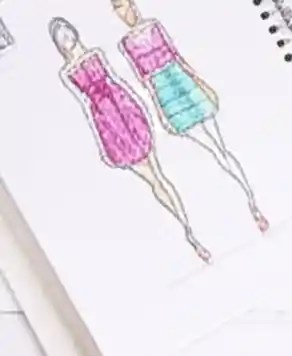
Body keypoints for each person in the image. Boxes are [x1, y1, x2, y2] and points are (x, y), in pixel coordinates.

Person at [51, 17, 210, 263]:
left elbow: (117, 79)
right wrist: (102, 143)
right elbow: (84, 104)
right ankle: (188, 231)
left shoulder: (96, 53)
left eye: (67, 32)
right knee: (153, 181)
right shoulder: (67, 72)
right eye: (60, 37)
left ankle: (190, 229)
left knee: (160, 175)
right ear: (57, 44)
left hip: (124, 107)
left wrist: (141, 109)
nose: (67, 39)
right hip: (106, 121)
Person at [112, 0, 269, 232]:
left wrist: (202, 83)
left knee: (221, 148)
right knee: (214, 151)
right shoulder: (125, 44)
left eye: (125, 4)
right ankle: (250, 203)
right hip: (167, 97)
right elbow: (145, 81)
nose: (125, 11)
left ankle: (252, 201)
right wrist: (161, 113)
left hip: (184, 83)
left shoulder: (154, 26)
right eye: (118, 8)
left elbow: (178, 58)